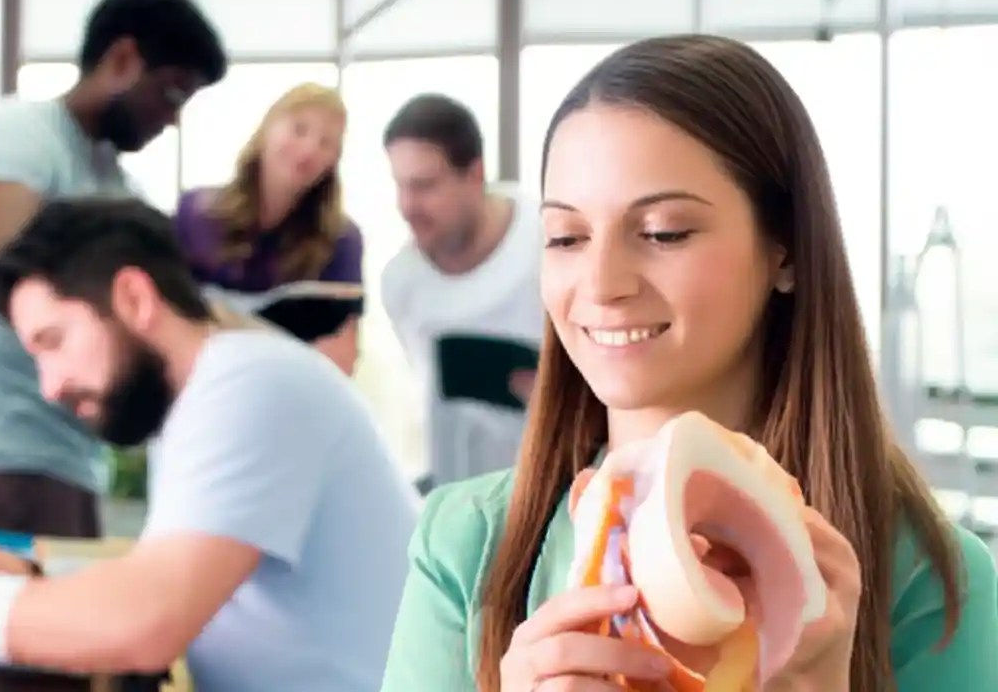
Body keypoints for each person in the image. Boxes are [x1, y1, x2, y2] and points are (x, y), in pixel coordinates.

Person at [380, 35, 998, 691]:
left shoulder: (924, 577)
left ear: (784, 249)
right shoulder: (467, 548)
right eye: (565, 237)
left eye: (663, 232)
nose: (601, 283)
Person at [0, 196, 419, 692]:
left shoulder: (248, 384)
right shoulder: (214, 393)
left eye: (52, 341)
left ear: (134, 298)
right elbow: (174, 567)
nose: (49, 386)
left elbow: (146, 620)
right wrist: (37, 573)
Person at [0, 0, 227, 550]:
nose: (173, 119)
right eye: (173, 94)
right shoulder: (14, 139)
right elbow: (11, 288)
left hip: (71, 464)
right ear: (122, 60)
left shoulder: (117, 184)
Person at [380, 93, 543, 491]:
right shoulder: (401, 282)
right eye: (400, 186)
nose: (407, 206)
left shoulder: (551, 242)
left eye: (424, 186)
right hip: (460, 499)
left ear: (474, 175)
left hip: (555, 490)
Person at [174, 83, 364, 374]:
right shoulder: (195, 214)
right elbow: (170, 324)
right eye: (299, 129)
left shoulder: (341, 240)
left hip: (289, 399)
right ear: (266, 130)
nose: (309, 149)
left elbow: (340, 360)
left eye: (327, 143)